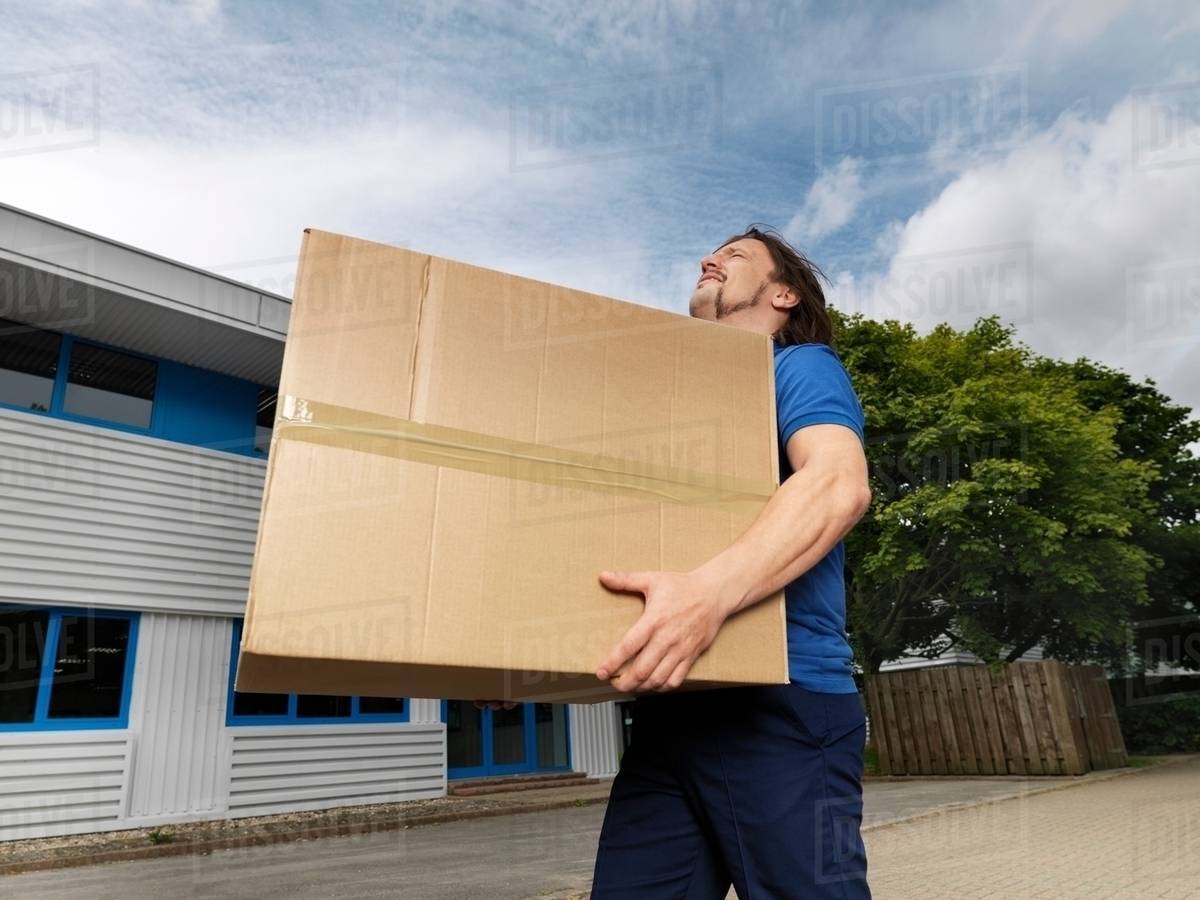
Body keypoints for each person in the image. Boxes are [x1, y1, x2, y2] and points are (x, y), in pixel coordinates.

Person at [588, 225, 873, 899]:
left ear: (782, 294)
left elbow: (839, 483)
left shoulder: (797, 366)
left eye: (735, 254)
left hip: (782, 704)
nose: (708, 258)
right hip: (674, 708)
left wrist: (709, 596)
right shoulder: (676, 415)